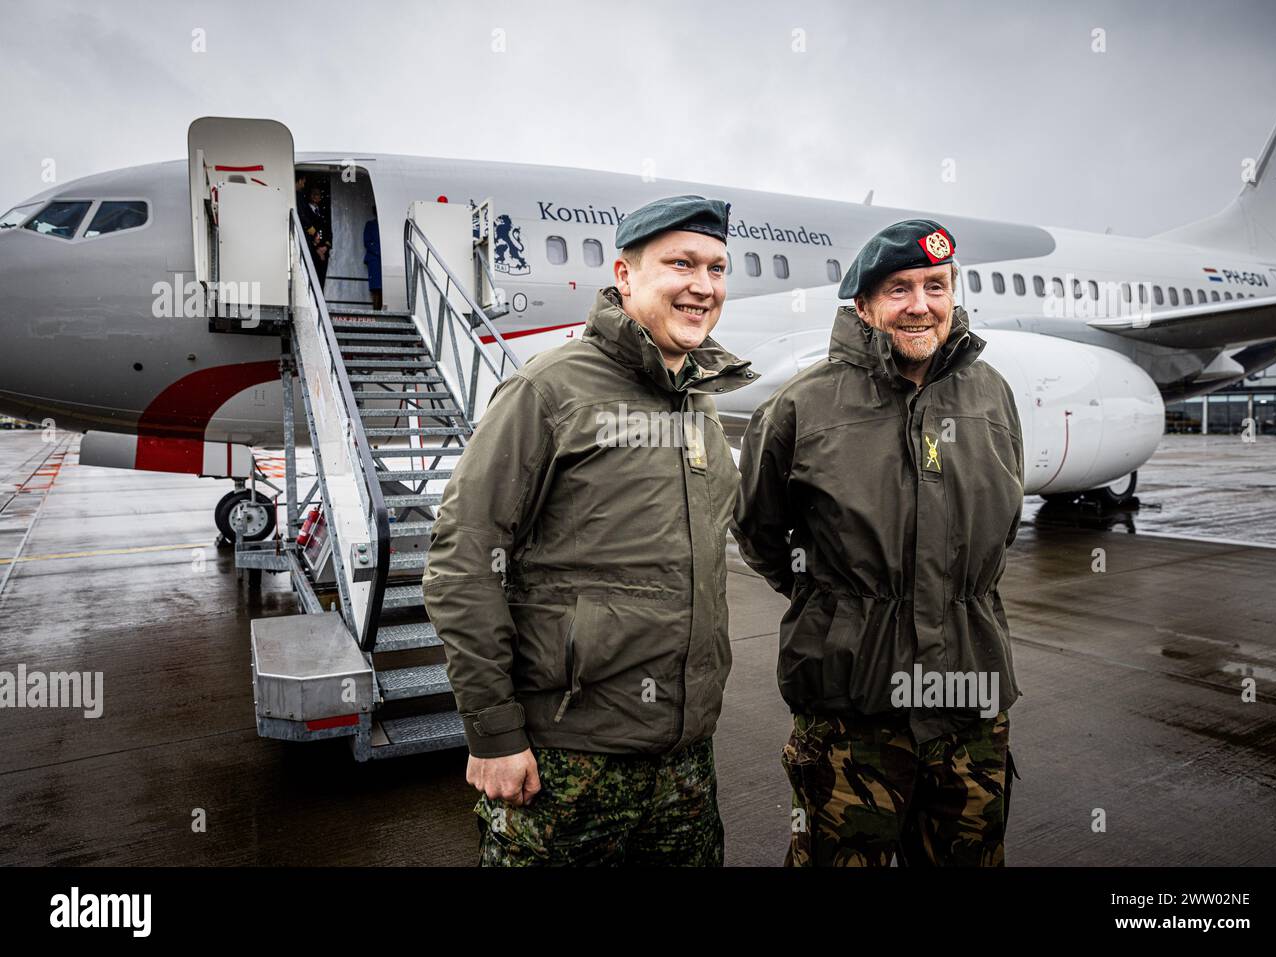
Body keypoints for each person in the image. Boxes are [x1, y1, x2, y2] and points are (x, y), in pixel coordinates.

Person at [423, 195, 757, 866]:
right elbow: (462, 561)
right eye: (681, 264)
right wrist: (493, 732)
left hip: (686, 763)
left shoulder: (698, 401)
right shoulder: (549, 391)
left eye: (717, 268)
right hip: (566, 765)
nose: (703, 285)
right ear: (626, 276)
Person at [732, 219, 1024, 867]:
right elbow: (758, 530)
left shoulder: (993, 397)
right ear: (863, 305)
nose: (920, 304)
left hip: (970, 707)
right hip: (849, 718)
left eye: (935, 285)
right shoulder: (800, 408)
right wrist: (840, 602)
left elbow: (1001, 525)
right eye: (899, 288)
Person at [296, 183, 330, 288]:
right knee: (311, 279)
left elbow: (328, 230)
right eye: (314, 194)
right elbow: (306, 229)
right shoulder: (306, 210)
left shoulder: (323, 211)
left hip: (323, 252)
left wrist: (326, 246)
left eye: (318, 194)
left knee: (321, 280)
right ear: (309, 196)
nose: (316, 197)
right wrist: (316, 247)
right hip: (312, 249)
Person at [363, 212, 382, 310]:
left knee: (384, 287)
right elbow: (367, 242)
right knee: (376, 287)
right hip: (374, 259)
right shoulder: (370, 224)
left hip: (384, 260)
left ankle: (381, 311)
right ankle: (376, 311)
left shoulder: (386, 225)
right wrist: (379, 251)